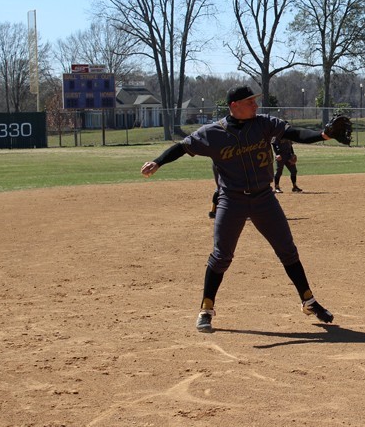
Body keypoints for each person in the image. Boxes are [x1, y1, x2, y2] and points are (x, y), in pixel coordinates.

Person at [140, 85, 345, 333]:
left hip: (264, 198)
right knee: (221, 255)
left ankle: (309, 301)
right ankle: (206, 309)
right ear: (234, 106)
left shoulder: (264, 123)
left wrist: (323, 135)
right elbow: (182, 147)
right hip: (231, 200)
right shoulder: (212, 133)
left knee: (288, 251)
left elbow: (294, 133)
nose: (256, 105)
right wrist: (158, 161)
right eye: (250, 102)